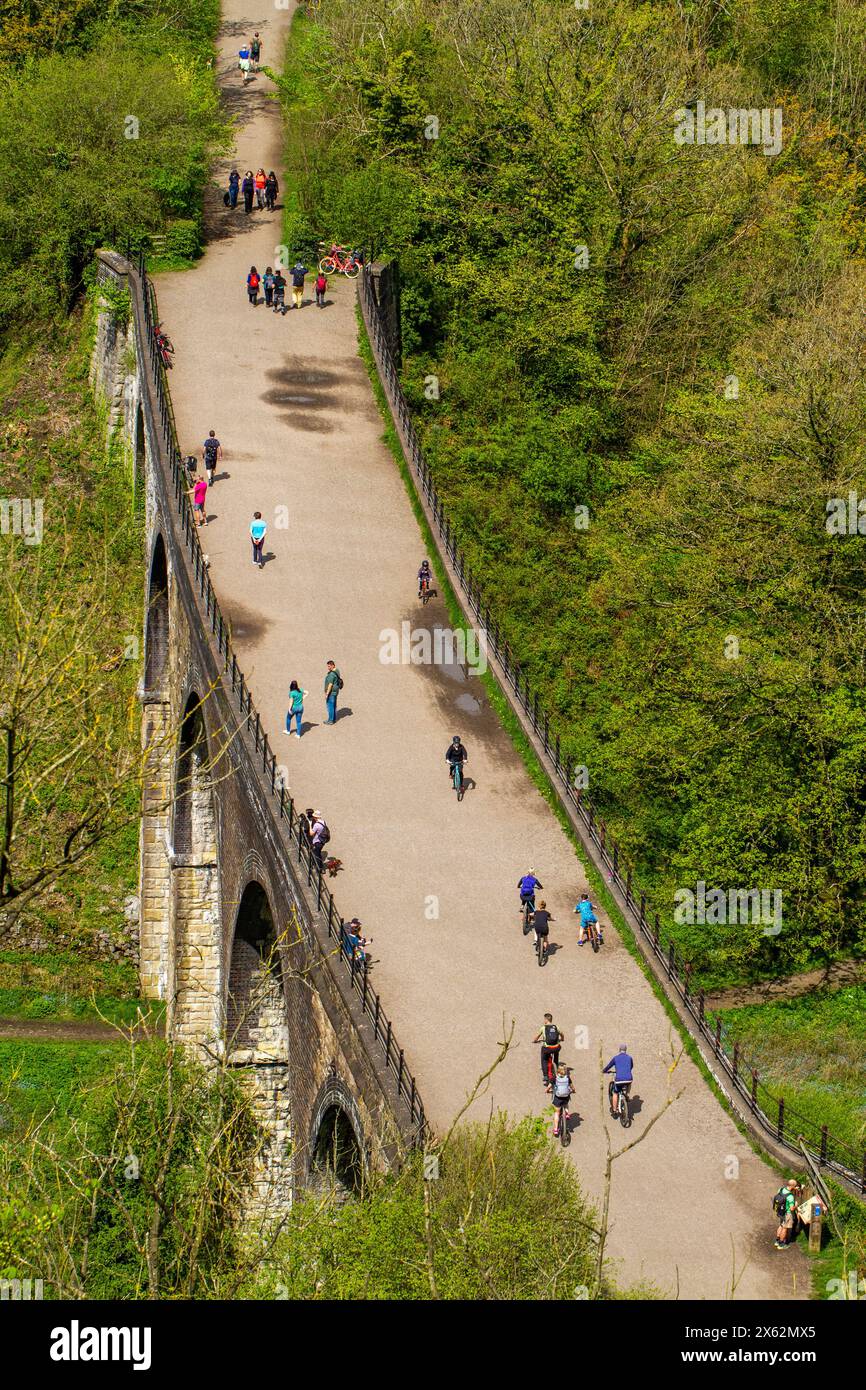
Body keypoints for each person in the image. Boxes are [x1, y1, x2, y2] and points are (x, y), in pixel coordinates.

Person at [533, 1014, 563, 1091]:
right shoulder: (556, 1027)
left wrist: (535, 1041)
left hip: (547, 1048)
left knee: (544, 1059)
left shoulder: (543, 1028)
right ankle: (556, 1065)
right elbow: (562, 1034)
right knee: (556, 1054)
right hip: (556, 1048)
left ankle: (545, 1075)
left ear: (546, 1020)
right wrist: (562, 1039)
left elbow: (537, 1037)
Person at [603, 1046, 634, 1117]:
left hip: (619, 1079)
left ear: (619, 1050)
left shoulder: (616, 1058)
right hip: (629, 1078)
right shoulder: (629, 1058)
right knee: (629, 1083)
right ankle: (627, 1095)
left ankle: (614, 1110)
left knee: (615, 1093)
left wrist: (604, 1071)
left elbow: (609, 1066)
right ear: (626, 1050)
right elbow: (631, 1066)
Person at [773, 1179, 802, 1250]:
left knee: (781, 1225)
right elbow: (792, 1209)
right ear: (793, 1186)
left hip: (780, 1212)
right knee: (785, 1228)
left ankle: (777, 1241)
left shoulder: (781, 1189)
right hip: (787, 1214)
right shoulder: (790, 1196)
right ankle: (781, 1244)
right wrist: (796, 1205)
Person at [551, 1065, 573, 1138]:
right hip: (566, 1096)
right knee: (566, 1103)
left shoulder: (555, 1078)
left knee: (557, 1112)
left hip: (558, 1097)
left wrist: (547, 1090)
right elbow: (571, 1086)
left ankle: (556, 1129)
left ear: (558, 1071)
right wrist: (573, 1090)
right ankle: (567, 1113)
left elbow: (550, 1085)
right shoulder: (567, 1078)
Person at [324, 659, 341, 724]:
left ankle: (330, 720)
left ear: (333, 665)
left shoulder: (331, 675)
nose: (328, 668)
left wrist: (327, 694)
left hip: (331, 693)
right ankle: (333, 719)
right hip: (335, 691)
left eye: (329, 666)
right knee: (334, 705)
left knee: (330, 706)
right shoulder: (337, 670)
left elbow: (330, 685)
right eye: (328, 666)